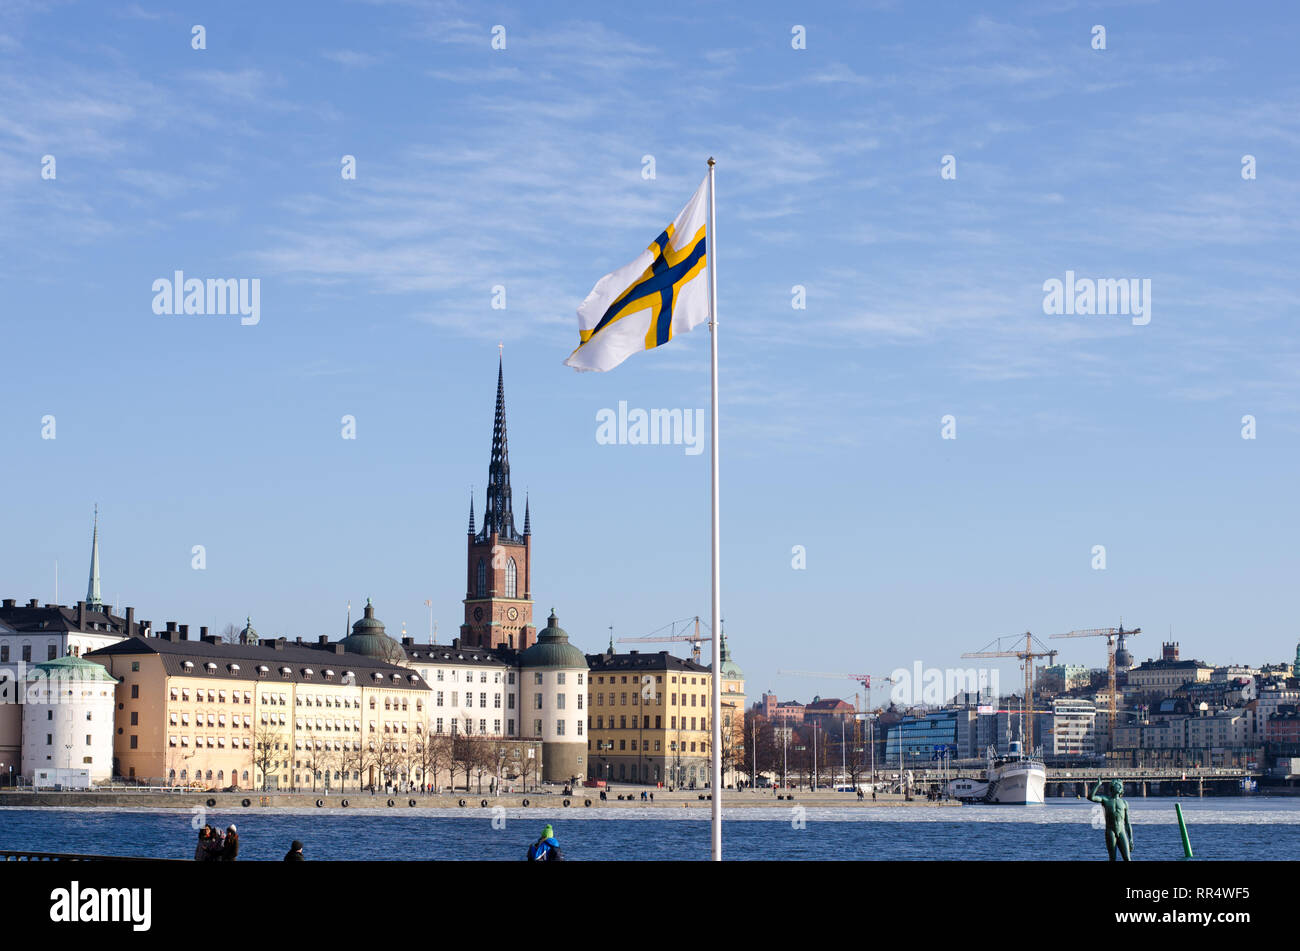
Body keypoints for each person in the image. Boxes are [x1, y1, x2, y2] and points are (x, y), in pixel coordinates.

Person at [1088, 779, 1134, 861]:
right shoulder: (1106, 800)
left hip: (1121, 830)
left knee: (1127, 858)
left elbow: (1127, 822)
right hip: (1110, 830)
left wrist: (1130, 838)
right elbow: (1090, 797)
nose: (1120, 787)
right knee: (1112, 858)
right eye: (1118, 785)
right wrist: (1097, 785)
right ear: (1113, 787)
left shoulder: (1124, 803)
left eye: (1121, 786)